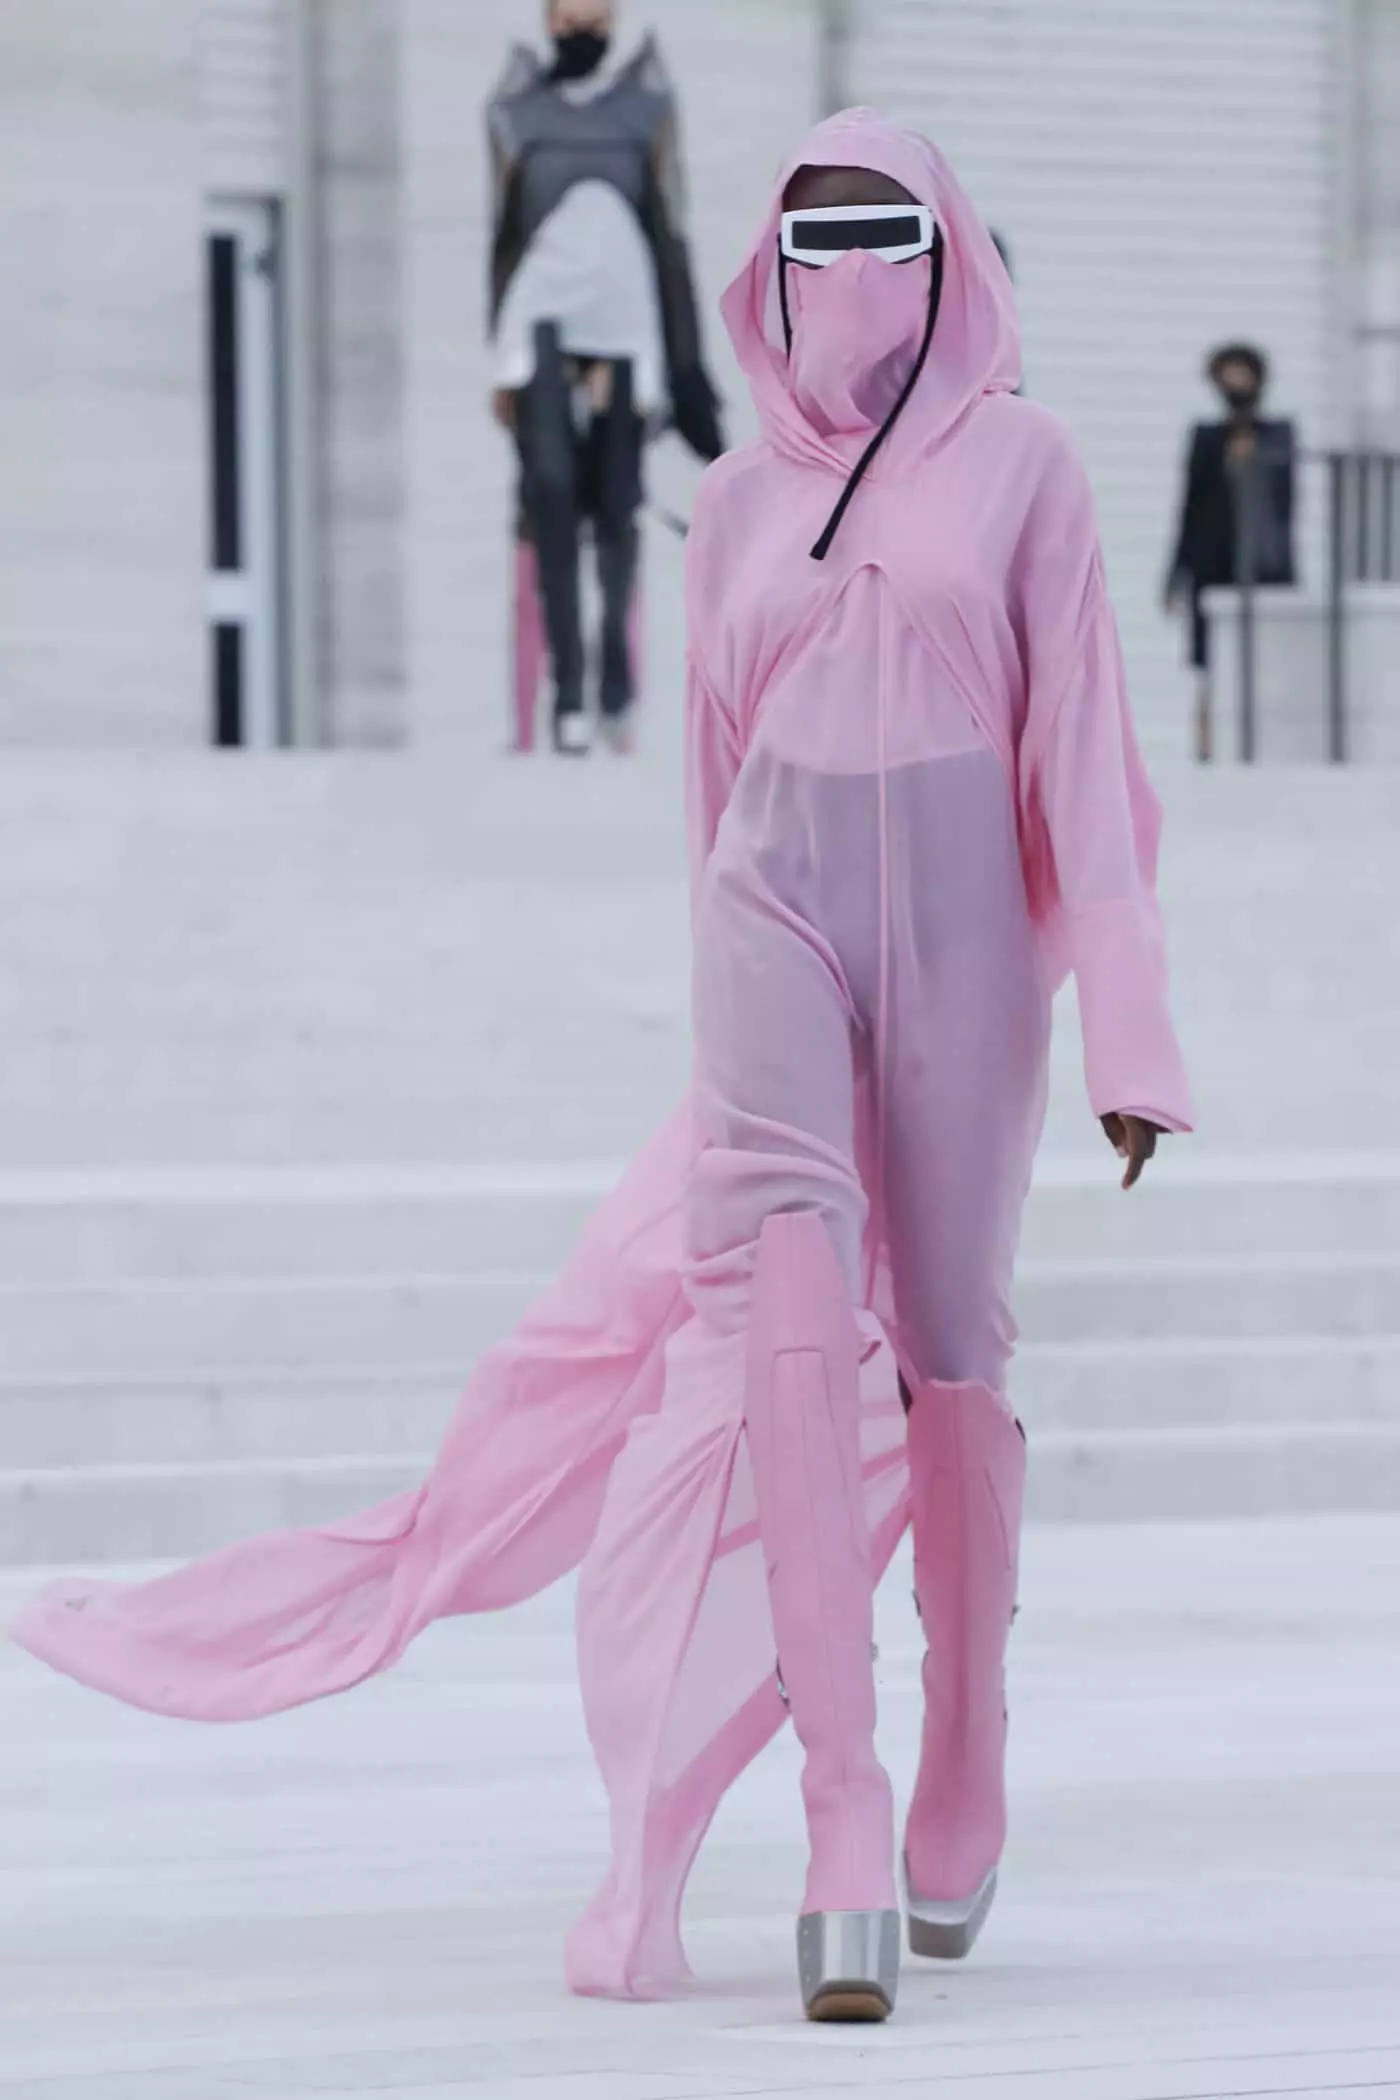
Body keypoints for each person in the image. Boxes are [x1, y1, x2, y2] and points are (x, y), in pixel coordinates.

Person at [13, 112, 1192, 2026]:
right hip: (770, 928)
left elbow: (1083, 768)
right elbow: (716, 787)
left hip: (972, 948)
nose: (853, 273)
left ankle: (968, 1727)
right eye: (818, 239)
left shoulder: (1031, 468)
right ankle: (842, 1801)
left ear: (953, 252)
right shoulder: (732, 501)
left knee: (955, 1343)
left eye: (891, 233)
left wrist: (1132, 1032)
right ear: (766, 271)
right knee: (791, 1336)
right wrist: (732, 1001)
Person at [488, 0, 725, 755]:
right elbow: (503, 243)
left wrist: (689, 377)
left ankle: (615, 683)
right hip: (541, 331)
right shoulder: (515, 113)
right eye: (568, 11)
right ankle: (566, 695)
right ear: (548, 19)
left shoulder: (646, 112)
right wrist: (500, 361)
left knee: (617, 510)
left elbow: (671, 240)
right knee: (552, 500)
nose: (581, 24)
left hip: (626, 335)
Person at [1166, 342, 1297, 761]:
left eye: (1242, 374)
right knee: (1208, 664)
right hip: (1212, 562)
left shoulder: (1279, 435)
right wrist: (1176, 575)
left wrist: (1252, 461)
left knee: (1266, 657)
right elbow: (1189, 507)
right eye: (1228, 375)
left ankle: (1262, 743)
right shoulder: (1205, 437)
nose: (1235, 383)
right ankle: (1207, 745)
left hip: (1265, 567)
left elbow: (1284, 505)